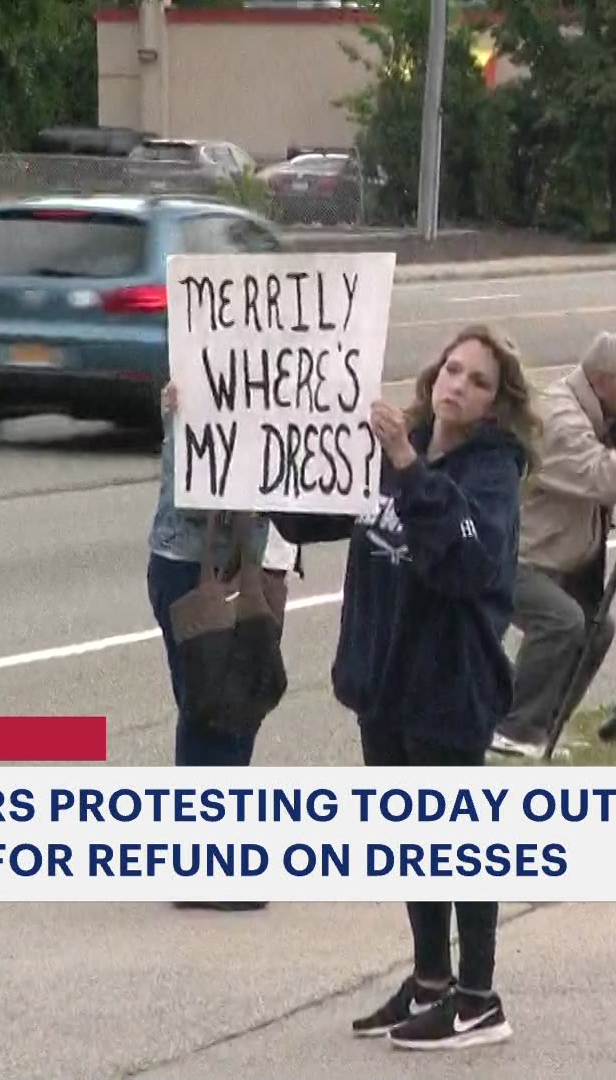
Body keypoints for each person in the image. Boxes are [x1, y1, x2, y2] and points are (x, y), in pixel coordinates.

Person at [271, 324, 541, 1051]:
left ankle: (479, 999)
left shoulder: (490, 471)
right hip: (383, 680)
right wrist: (232, 443)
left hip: (447, 685)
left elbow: (468, 563)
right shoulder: (397, 454)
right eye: (451, 369)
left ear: (495, 404)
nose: (457, 385)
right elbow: (307, 513)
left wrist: (407, 464)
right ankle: (430, 981)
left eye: (478, 381)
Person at [489, 331, 616, 758]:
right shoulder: (559, 418)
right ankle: (511, 729)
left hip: (553, 555)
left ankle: (542, 730)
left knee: (595, 628)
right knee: (563, 621)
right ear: (603, 381)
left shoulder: (600, 411)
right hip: (510, 554)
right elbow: (610, 479)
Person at [147, 388, 299, 913]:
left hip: (261, 564)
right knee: (215, 705)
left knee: (238, 702)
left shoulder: (291, 377)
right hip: (198, 563)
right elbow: (190, 493)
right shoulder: (200, 380)